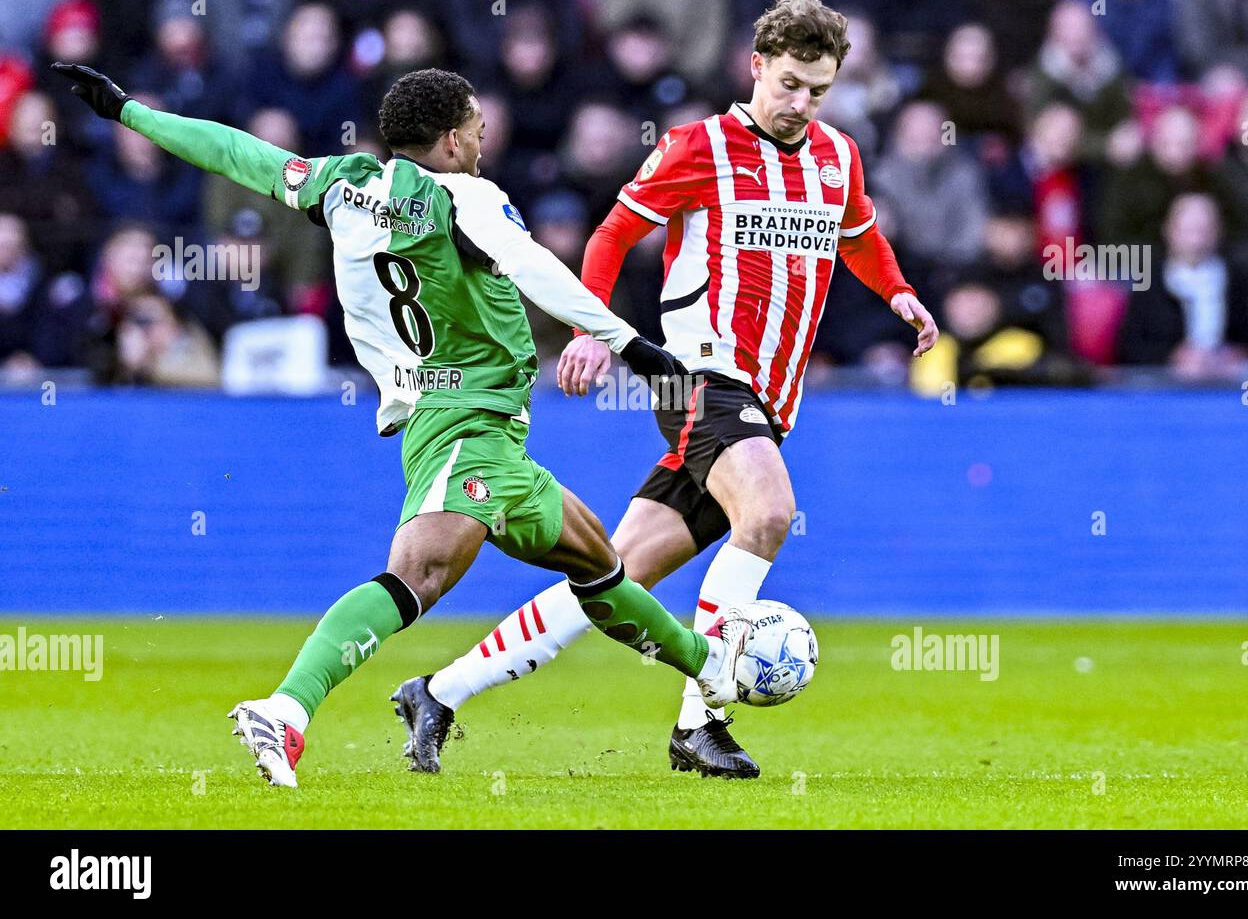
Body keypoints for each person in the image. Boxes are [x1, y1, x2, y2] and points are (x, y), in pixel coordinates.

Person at [51, 61, 753, 788]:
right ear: (451, 139)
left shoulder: (344, 185)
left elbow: (239, 153)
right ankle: (286, 710)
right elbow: (533, 264)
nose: (483, 134)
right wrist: (631, 346)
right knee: (416, 576)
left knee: (597, 563)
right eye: (476, 124)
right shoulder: (469, 197)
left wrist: (132, 112)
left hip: (479, 428)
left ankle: (714, 668)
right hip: (462, 421)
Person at [406, 0, 938, 779]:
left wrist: (896, 293)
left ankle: (438, 692)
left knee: (611, 577)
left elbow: (859, 235)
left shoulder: (838, 156)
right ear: (757, 66)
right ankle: (704, 717)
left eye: (819, 90)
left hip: (768, 404)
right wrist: (592, 329)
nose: (802, 103)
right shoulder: (699, 147)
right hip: (704, 380)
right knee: (770, 514)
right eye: (790, 83)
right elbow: (614, 232)